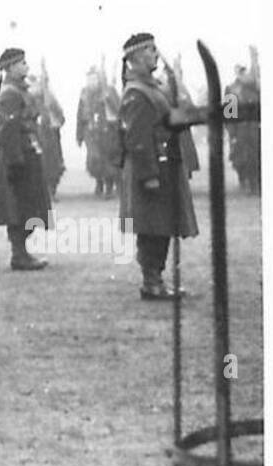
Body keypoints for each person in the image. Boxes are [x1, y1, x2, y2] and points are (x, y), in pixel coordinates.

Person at [118, 32, 198, 300]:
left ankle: (157, 280)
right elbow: (137, 139)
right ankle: (151, 282)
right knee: (151, 227)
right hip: (151, 169)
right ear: (137, 58)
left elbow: (172, 117)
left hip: (164, 165)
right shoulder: (137, 92)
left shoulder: (154, 87)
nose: (156, 54)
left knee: (162, 225)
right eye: (151, 50)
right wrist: (149, 175)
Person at [0, 49, 51, 270]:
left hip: (25, 151)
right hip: (15, 154)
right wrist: (14, 161)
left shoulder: (18, 90)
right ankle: (19, 254)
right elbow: (9, 129)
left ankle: (22, 252)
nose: (26, 66)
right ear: (11, 67)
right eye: (22, 63)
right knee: (18, 206)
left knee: (28, 204)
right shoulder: (10, 93)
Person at [76, 68, 122, 198]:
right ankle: (99, 182)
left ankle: (108, 186)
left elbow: (118, 109)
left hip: (107, 131)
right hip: (91, 131)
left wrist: (108, 98)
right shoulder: (84, 94)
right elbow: (80, 114)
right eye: (89, 79)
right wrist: (79, 135)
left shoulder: (109, 91)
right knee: (94, 160)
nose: (91, 82)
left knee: (107, 159)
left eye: (94, 79)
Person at [225, 59, 261, 195]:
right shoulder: (232, 90)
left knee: (255, 157)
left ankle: (255, 183)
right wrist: (232, 133)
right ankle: (245, 182)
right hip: (240, 130)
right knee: (241, 158)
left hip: (254, 128)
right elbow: (229, 114)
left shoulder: (256, 89)